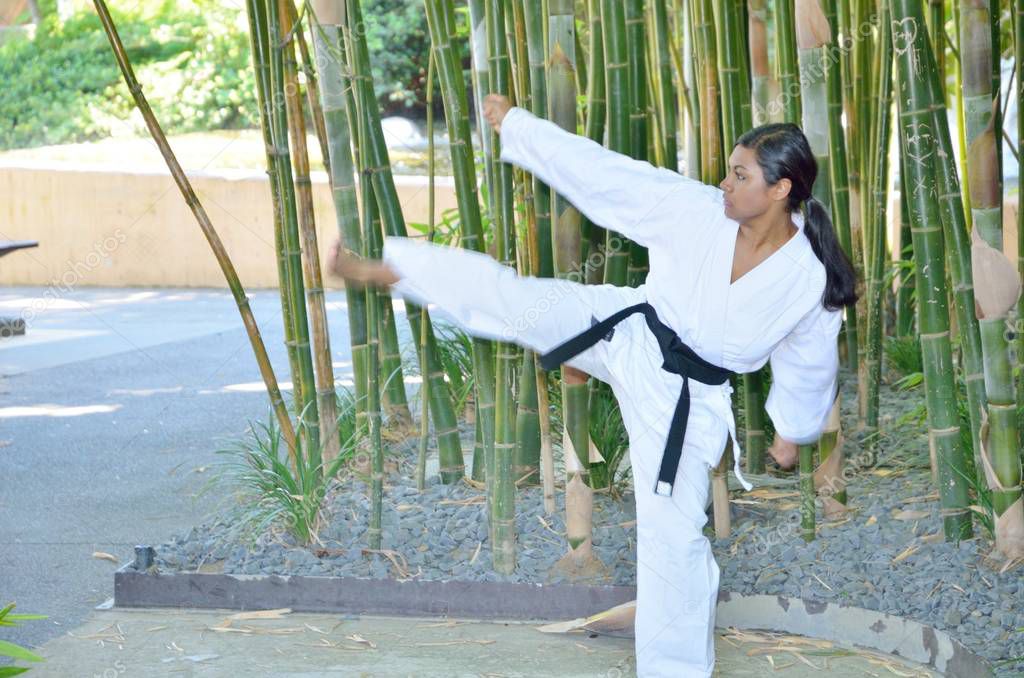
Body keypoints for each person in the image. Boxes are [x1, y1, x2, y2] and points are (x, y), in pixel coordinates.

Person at [327, 94, 858, 677]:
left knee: (673, 540)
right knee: (523, 302)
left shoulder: (808, 277)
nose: (724, 183)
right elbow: (606, 176)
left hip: (687, 399)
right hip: (631, 330)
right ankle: (398, 271)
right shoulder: (697, 209)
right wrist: (522, 129)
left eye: (740, 175)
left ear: (780, 190)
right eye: (728, 171)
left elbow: (810, 363)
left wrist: (792, 430)